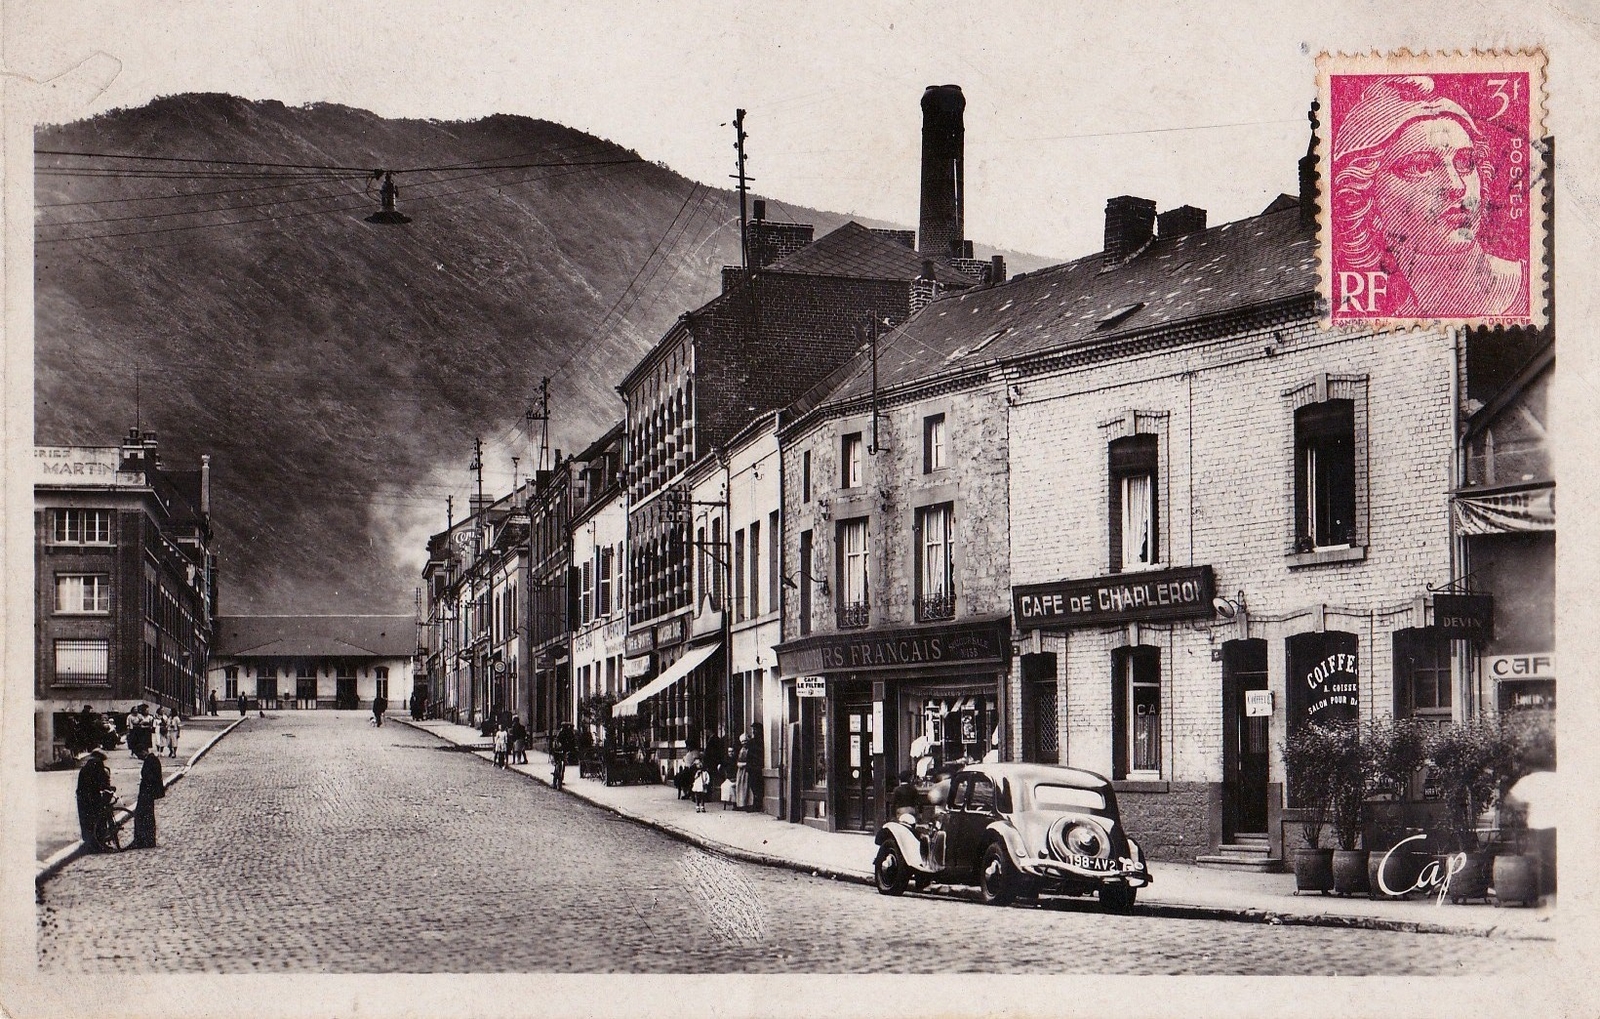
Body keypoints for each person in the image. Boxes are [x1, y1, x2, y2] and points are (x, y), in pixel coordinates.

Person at [1331, 75, 1528, 319]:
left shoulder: (1533, 289)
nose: (1456, 185)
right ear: (1364, 199)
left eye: (1466, 163)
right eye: (1421, 167)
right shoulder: (1392, 317)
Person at [75, 750, 115, 851]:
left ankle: (93, 845)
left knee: (88, 822)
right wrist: (109, 788)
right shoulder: (97, 764)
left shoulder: (87, 766)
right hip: (92, 798)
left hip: (83, 797)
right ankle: (99, 845)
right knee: (98, 819)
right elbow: (101, 780)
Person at [131, 745, 165, 849]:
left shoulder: (151, 761)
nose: (139, 757)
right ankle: (145, 839)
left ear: (144, 751)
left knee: (143, 816)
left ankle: (144, 840)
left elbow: (151, 778)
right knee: (145, 816)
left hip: (147, 793)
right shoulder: (152, 760)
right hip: (147, 793)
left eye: (139, 755)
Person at [551, 723, 575, 789]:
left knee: (559, 766)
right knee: (560, 765)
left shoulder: (562, 733)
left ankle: (555, 782)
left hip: (560, 751)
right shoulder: (568, 733)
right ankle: (557, 781)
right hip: (561, 751)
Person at [733, 734, 754, 810]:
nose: (744, 743)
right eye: (742, 741)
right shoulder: (741, 750)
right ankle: (741, 804)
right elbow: (738, 760)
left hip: (746, 770)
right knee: (741, 786)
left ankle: (747, 803)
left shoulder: (748, 750)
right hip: (741, 770)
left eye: (745, 741)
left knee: (746, 786)